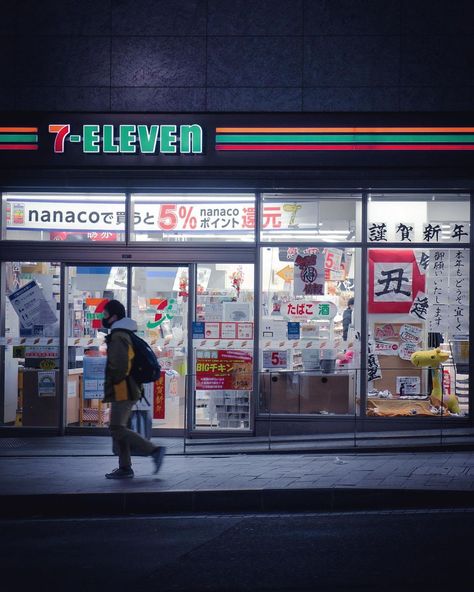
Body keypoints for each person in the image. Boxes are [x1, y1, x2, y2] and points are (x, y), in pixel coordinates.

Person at [102, 299, 165, 479]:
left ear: (114, 316)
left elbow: (120, 366)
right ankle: (125, 467)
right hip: (128, 388)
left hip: (123, 389)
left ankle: (154, 451)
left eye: (105, 314)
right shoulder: (124, 333)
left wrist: (113, 380)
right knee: (122, 427)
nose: (103, 318)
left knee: (116, 427)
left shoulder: (119, 335)